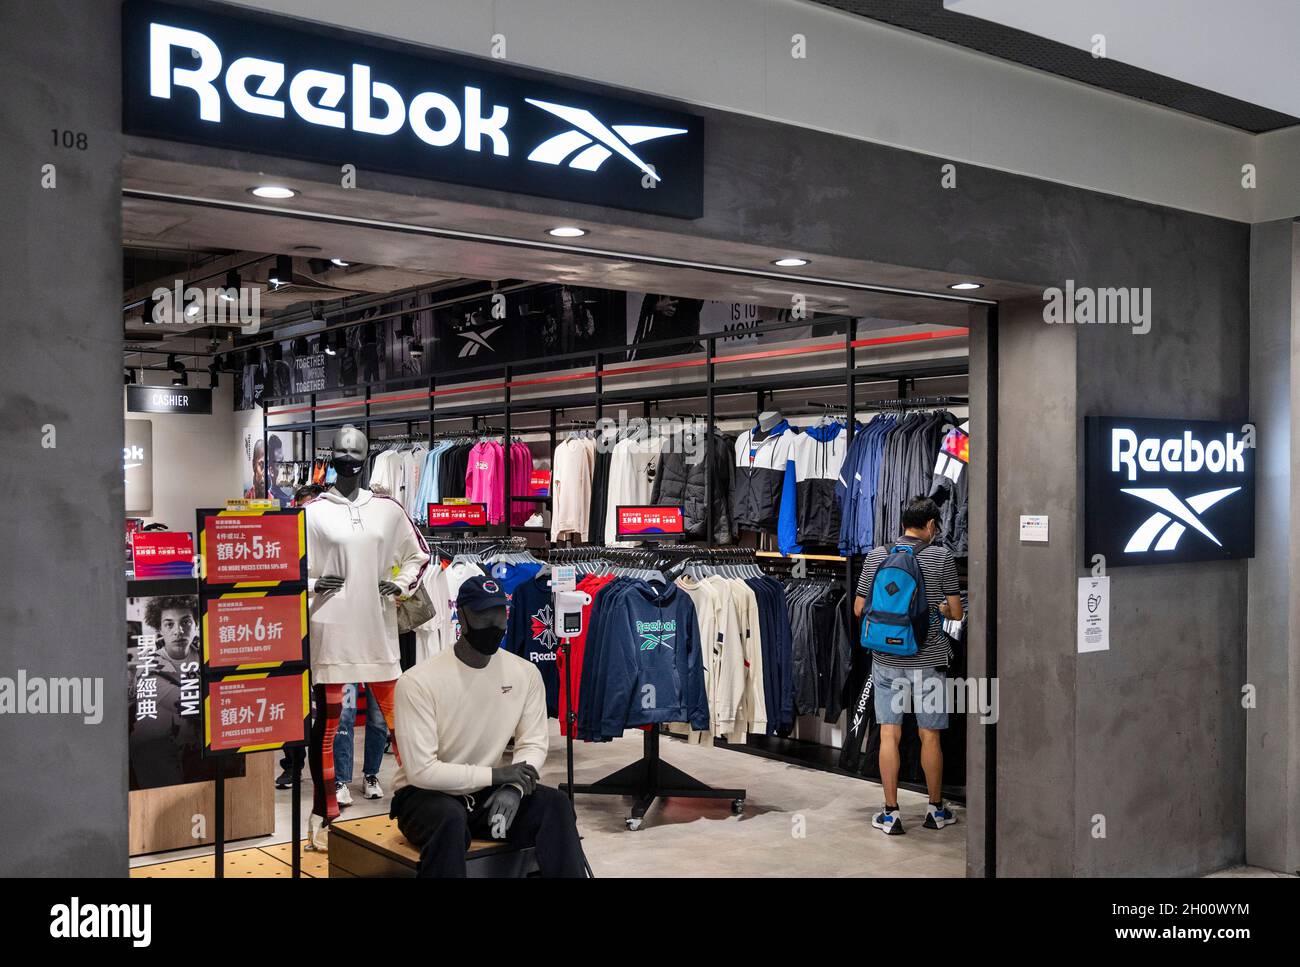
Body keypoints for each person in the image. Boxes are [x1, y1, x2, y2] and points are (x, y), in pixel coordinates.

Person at [391, 576, 587, 877]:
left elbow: (533, 743)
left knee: (556, 805)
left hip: (488, 790)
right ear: (464, 618)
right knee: (449, 820)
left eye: (500, 614)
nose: (494, 623)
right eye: (484, 615)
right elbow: (421, 770)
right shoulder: (418, 682)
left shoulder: (525, 673)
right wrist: (497, 775)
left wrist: (513, 786)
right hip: (425, 795)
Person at [854, 496, 963, 835]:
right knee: (929, 735)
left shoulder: (877, 555)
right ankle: (935, 810)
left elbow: (859, 608)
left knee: (890, 733)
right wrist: (938, 610)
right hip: (928, 659)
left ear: (904, 523)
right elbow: (957, 612)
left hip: (885, 660)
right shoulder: (941, 556)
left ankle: (891, 813)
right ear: (930, 525)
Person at [275, 482, 324, 789]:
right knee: (291, 699)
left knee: (330, 709)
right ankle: (293, 765)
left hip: (327, 628)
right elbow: (283, 580)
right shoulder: (286, 541)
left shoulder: (333, 542)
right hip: (293, 628)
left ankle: (328, 770)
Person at [333, 683, 389, 806]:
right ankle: (340, 781)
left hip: (378, 666)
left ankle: (371, 775)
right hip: (347, 664)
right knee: (344, 719)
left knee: (378, 719)